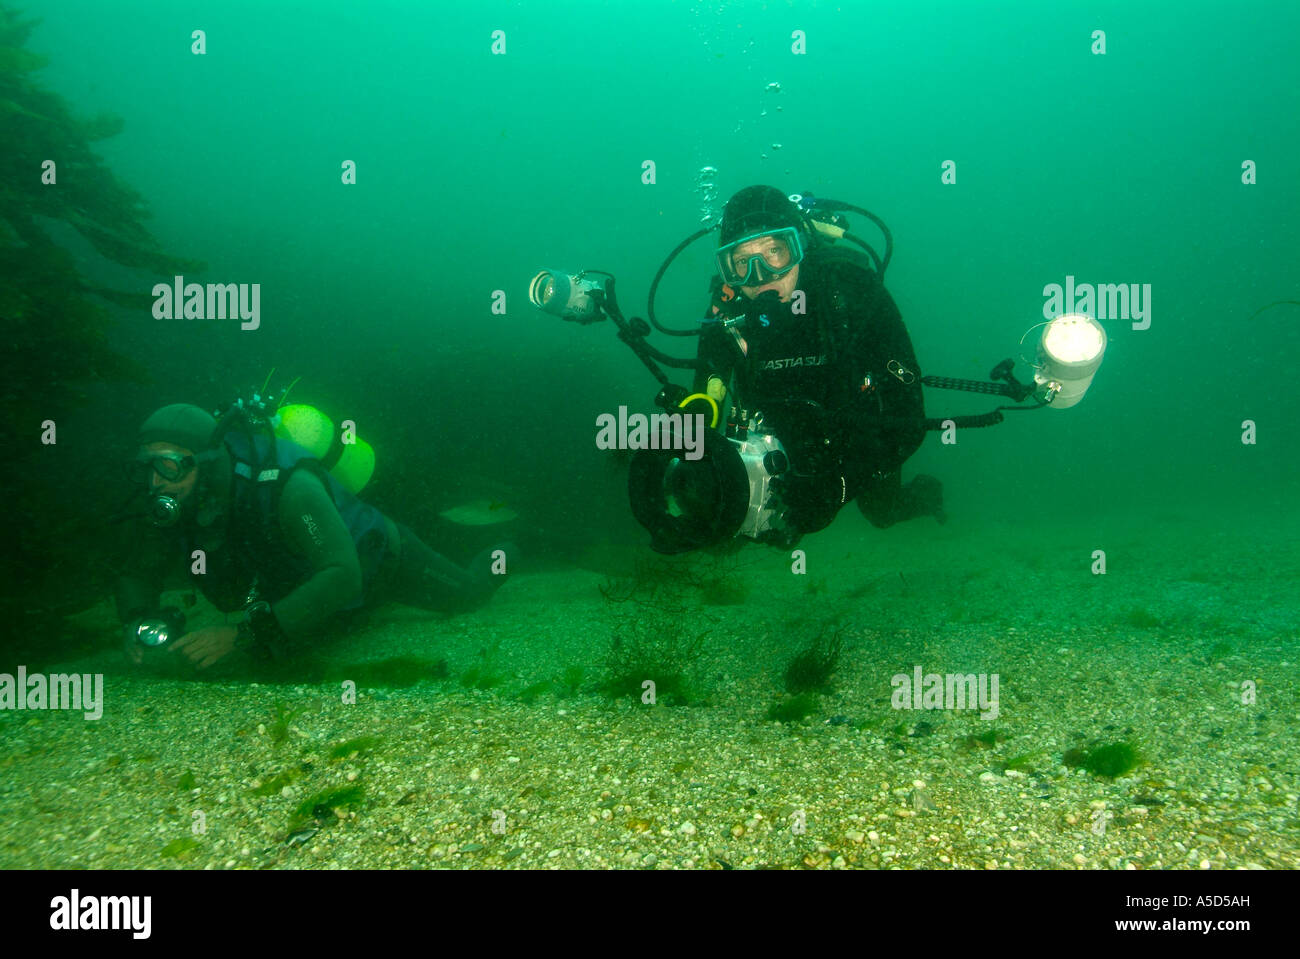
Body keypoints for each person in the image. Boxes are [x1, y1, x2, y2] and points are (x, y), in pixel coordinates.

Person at [116, 403, 510, 671]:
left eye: (168, 466)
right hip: (301, 585)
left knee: (470, 594)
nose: (156, 483)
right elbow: (136, 564)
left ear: (205, 461)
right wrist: (137, 618)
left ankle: (510, 546)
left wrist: (241, 635)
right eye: (147, 467)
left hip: (384, 561)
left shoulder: (290, 487)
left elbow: (342, 575)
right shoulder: (176, 497)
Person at [694, 185, 945, 544]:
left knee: (882, 512)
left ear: (799, 247)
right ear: (727, 270)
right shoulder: (726, 316)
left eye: (775, 251)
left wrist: (839, 487)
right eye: (742, 263)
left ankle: (928, 495)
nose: (761, 274)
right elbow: (701, 410)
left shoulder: (852, 293)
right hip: (777, 443)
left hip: (860, 437)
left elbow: (909, 419)